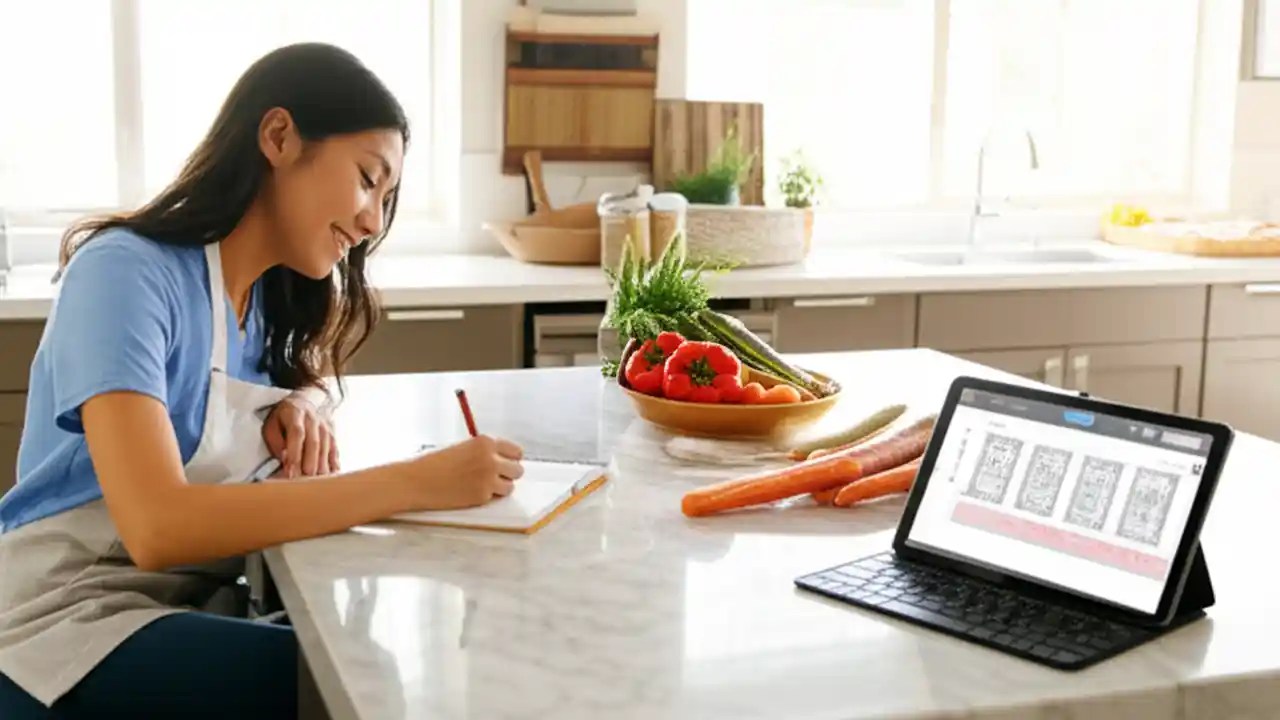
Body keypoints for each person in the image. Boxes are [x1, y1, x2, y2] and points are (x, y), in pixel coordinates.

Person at [0, 43, 525, 718]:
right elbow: (158, 526)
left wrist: (306, 399)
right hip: (58, 625)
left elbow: (323, 374)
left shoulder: (270, 300)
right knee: (354, 684)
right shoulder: (126, 274)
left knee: (368, 659)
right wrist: (418, 482)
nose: (371, 221)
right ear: (279, 137)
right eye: (368, 178)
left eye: (386, 197)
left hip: (177, 607)